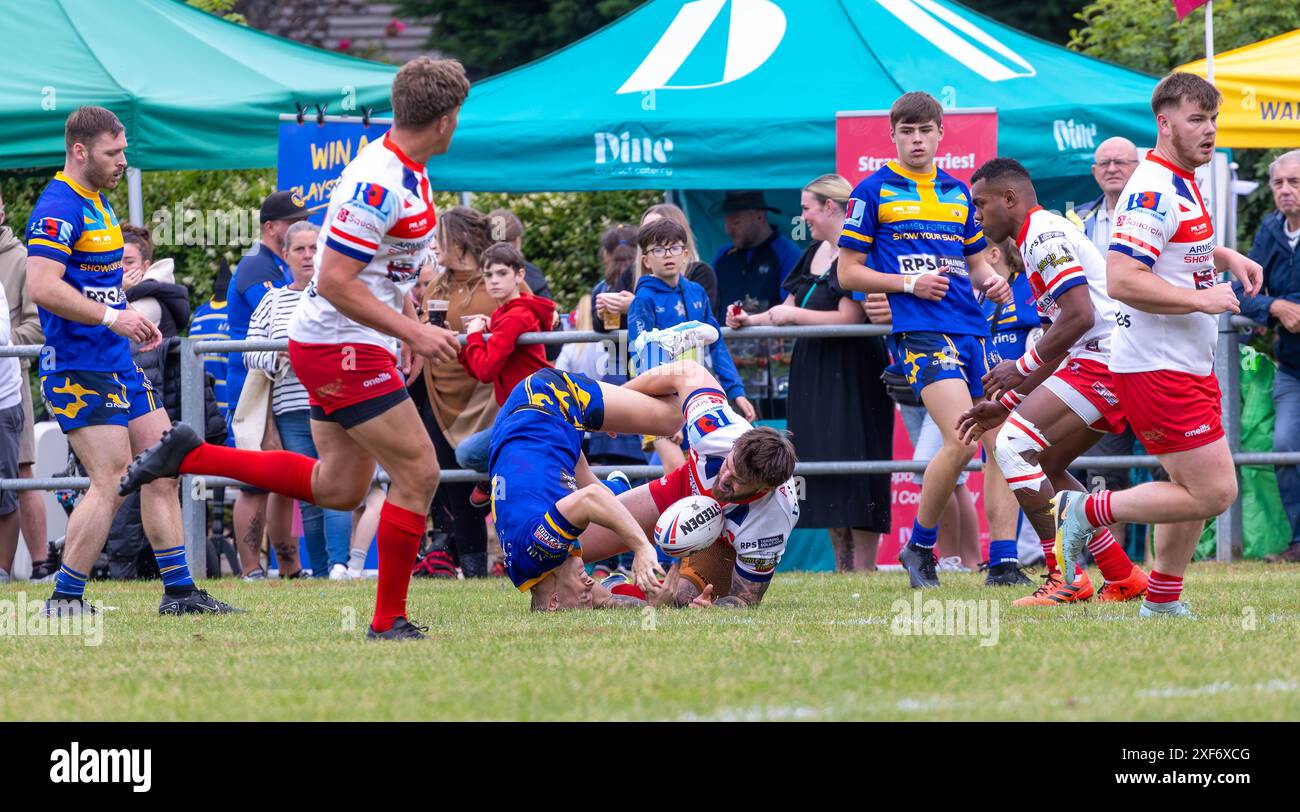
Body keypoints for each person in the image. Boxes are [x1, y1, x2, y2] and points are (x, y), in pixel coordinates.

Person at [121, 58, 471, 638]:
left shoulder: (408, 168)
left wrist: (405, 317)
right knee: (420, 471)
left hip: (348, 342)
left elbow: (381, 269)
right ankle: (388, 622)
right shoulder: (380, 180)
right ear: (445, 120)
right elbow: (333, 280)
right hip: (340, 346)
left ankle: (191, 456)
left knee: (340, 486)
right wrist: (414, 333)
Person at [1053, 73, 1262, 618]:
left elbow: (1177, 247)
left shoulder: (1179, 178)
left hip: (1183, 363)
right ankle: (1084, 510)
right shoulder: (1152, 189)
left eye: (1214, 119)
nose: (1210, 130)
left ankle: (1163, 600)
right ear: (1164, 124)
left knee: (1189, 486)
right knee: (1215, 492)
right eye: (1197, 120)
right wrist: (1202, 301)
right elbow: (1123, 279)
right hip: (1157, 367)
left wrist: (1224, 257)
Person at [26, 106, 235, 615]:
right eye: (112, 152)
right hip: (79, 366)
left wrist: (125, 314)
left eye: (123, 151)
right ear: (80, 151)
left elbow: (94, 285)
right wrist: (109, 317)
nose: (123, 161)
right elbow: (42, 286)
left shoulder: (98, 203)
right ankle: (64, 598)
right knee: (113, 478)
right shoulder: (59, 205)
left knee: (164, 468)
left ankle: (180, 593)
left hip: (118, 361)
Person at [836, 91, 1011, 589]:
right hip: (920, 332)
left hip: (973, 331)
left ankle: (1001, 561)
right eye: (907, 131)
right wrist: (907, 284)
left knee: (1003, 444)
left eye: (925, 130)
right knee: (961, 438)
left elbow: (975, 265)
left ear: (939, 134)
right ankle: (920, 548)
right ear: (892, 135)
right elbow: (849, 274)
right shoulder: (871, 192)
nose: (917, 140)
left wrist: (991, 282)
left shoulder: (959, 193)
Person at [959, 157, 1149, 606]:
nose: (976, 214)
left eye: (981, 203)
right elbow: (1062, 338)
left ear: (1010, 199)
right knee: (1042, 462)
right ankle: (1121, 575)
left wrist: (1018, 370)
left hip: (1104, 361)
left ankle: (1065, 574)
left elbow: (1081, 318)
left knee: (1011, 446)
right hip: (1102, 361)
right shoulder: (1035, 238)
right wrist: (1009, 401)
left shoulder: (1043, 236)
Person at [728, 173, 891, 571]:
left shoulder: (859, 252)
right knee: (820, 459)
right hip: (813, 369)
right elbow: (784, 306)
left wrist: (793, 314)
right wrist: (748, 320)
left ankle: (864, 569)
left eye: (807, 208)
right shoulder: (812, 252)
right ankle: (842, 565)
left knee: (857, 457)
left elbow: (849, 316)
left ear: (830, 207)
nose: (804, 217)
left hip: (854, 370)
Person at [575, 351, 800, 608]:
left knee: (681, 598)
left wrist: (715, 609)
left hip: (724, 543)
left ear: (765, 488)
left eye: (737, 480)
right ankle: (616, 492)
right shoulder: (716, 430)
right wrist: (615, 405)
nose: (725, 477)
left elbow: (745, 599)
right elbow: (686, 371)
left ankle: (618, 589)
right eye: (728, 464)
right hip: (683, 487)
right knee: (570, 548)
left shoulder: (772, 519)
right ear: (734, 445)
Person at [244, 220, 356, 579]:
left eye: (314, 248)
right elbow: (249, 352)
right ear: (286, 255)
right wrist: (278, 357)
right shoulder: (271, 300)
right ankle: (323, 569)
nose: (308, 256)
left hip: (335, 404)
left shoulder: (339, 294)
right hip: (290, 408)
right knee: (309, 488)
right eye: (300, 249)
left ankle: (340, 565)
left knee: (337, 483)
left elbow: (356, 341)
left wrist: (318, 356)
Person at [225, 190, 307, 581]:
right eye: (293, 223)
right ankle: (251, 568)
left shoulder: (277, 266)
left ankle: (289, 567)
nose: (300, 230)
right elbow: (281, 326)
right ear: (271, 228)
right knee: (254, 482)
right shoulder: (257, 267)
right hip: (252, 389)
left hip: (278, 387)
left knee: (285, 481)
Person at [1069, 136, 1144, 546]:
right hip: (1100, 357)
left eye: (1122, 161)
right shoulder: (1076, 220)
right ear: (1095, 172)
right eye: (1105, 163)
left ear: (1139, 166)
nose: (1113, 168)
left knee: (1169, 467)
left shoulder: (1155, 214)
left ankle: (1168, 566)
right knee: (1103, 471)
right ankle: (1112, 566)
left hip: (1150, 351)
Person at [418, 206, 501, 576]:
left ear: (462, 240)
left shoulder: (498, 274)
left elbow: (532, 315)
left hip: (490, 395)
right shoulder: (438, 284)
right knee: (454, 486)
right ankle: (474, 570)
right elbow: (421, 326)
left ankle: (527, 560)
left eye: (440, 238)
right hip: (440, 396)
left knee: (502, 483)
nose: (434, 246)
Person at [1234, 149, 1300, 563]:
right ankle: (1299, 542)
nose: (1285, 191)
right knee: (1285, 447)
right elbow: (1241, 291)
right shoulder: (1270, 230)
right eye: (1278, 183)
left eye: (1294, 182)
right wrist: (1276, 307)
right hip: (1291, 366)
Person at [628, 216, 754, 421]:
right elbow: (643, 355)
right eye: (658, 250)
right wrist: (663, 405)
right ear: (646, 260)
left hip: (699, 395)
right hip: (663, 402)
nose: (668, 255)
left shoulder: (697, 292)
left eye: (674, 248)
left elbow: (716, 344)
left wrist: (736, 391)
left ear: (685, 254)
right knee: (671, 453)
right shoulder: (643, 300)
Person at [456, 241, 556, 472]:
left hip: (531, 408)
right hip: (523, 407)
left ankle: (496, 480)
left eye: (502, 273)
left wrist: (472, 337)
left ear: (519, 275)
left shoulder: (515, 316)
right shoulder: (504, 315)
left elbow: (485, 371)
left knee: (466, 454)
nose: (494, 280)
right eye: (488, 274)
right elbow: (478, 368)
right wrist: (465, 348)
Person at [0, 184, 52, 581]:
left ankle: (39, 564)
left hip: (10, 383)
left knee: (22, 474)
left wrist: (5, 345)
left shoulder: (20, 259)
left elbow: (38, 326)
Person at [712, 190, 801, 318]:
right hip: (725, 336)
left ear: (760, 217)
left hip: (772, 336)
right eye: (726, 222)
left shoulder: (788, 254)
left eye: (736, 222)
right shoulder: (722, 256)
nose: (728, 229)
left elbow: (791, 308)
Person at [121, 225, 189, 339]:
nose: (122, 268)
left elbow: (108, 333)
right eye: (115, 262)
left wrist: (119, 289)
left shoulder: (149, 302)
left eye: (129, 262)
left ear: (145, 266)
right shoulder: (141, 292)